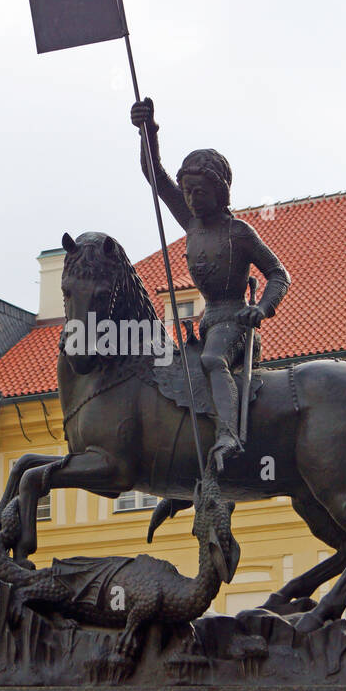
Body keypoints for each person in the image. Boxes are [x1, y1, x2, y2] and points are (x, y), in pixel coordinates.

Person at [130, 97, 290, 469]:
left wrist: (263, 308)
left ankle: (229, 435)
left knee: (213, 360)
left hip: (236, 321)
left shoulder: (239, 232)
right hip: (207, 322)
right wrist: (147, 130)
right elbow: (154, 174)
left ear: (219, 191)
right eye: (187, 191)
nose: (190, 198)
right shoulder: (190, 223)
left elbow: (278, 273)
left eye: (199, 191)